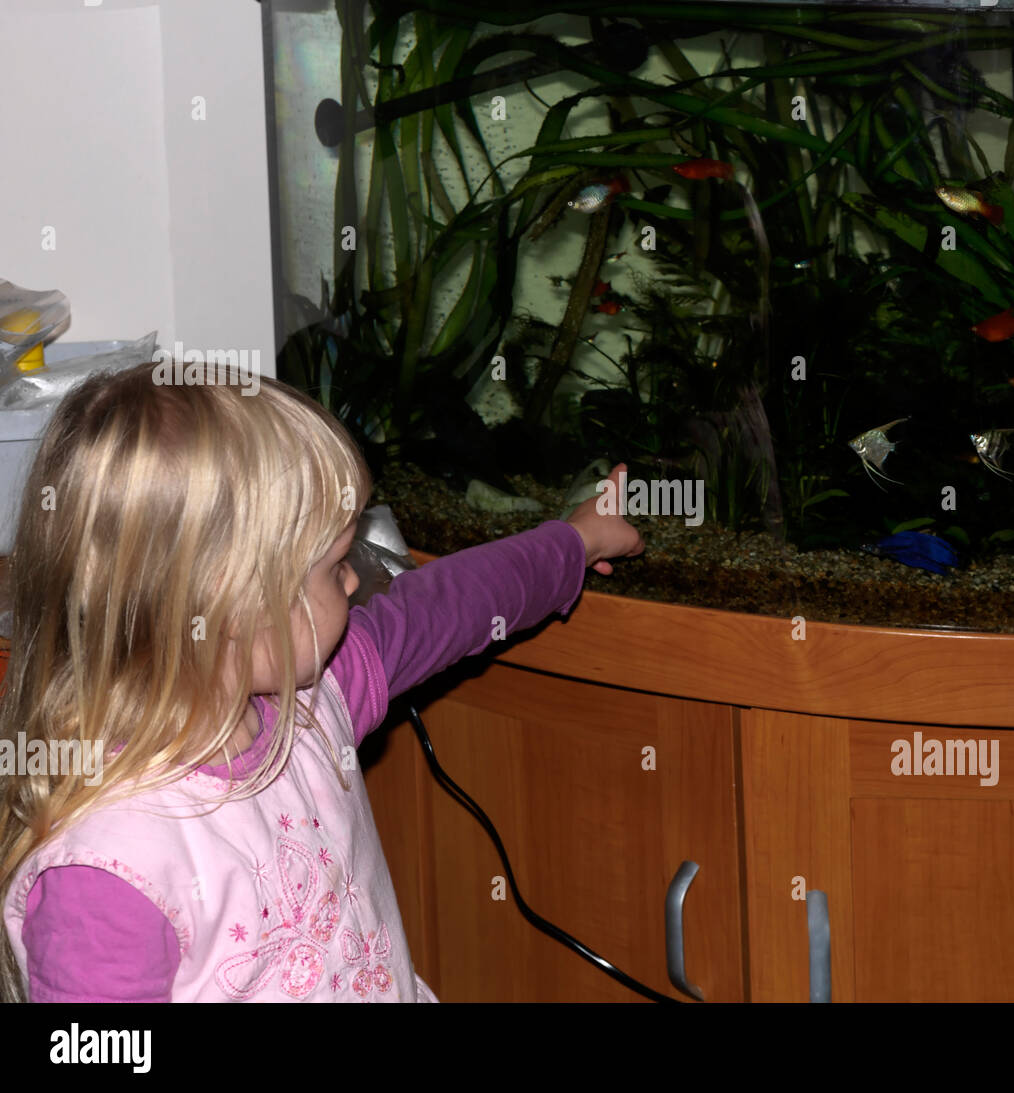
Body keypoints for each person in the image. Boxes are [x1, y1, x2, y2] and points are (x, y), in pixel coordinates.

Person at [0, 361, 643, 1002]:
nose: (355, 581)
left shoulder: (313, 705)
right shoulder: (108, 872)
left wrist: (576, 541)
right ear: (236, 597)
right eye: (336, 563)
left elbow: (452, 607)